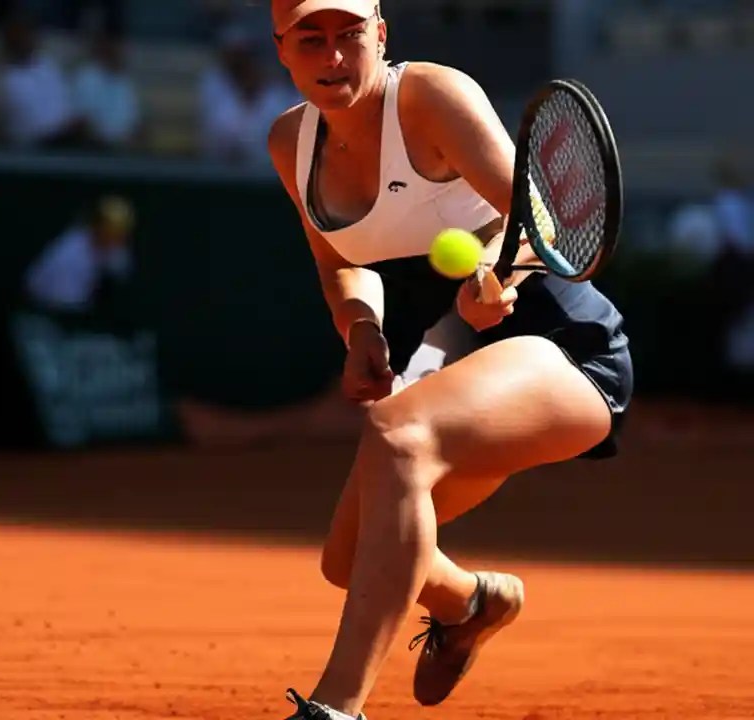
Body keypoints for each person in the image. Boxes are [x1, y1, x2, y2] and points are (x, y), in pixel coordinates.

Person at [263, 2, 633, 718]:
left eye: (349, 36)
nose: (333, 56)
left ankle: (333, 709)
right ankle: (473, 604)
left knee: (399, 436)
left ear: (381, 35)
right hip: (445, 366)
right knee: (348, 562)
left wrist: (501, 278)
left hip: (560, 354)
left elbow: (543, 226)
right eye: (311, 39)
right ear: (281, 49)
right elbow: (337, 262)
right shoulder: (290, 142)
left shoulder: (431, 97)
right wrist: (360, 327)